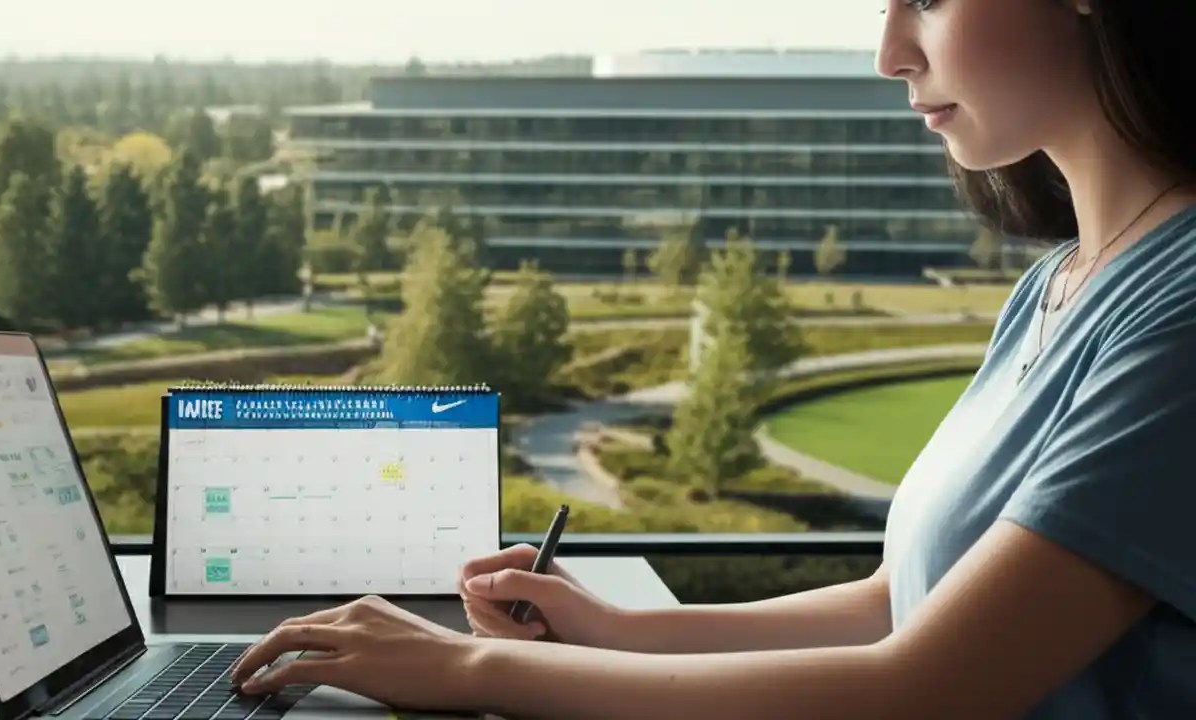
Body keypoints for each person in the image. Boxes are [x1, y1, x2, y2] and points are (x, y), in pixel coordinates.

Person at [229, 2, 1196, 717]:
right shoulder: (1061, 284)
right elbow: (901, 605)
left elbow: (926, 685)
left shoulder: (1183, 308)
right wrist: (611, 629)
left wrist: (464, 668)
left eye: (928, 0)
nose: (889, 51)